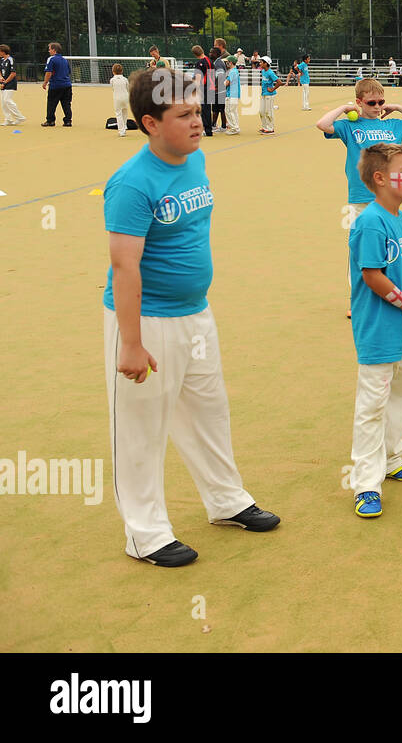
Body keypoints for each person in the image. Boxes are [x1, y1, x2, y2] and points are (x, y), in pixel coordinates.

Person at [102, 65, 280, 567]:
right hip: (147, 322)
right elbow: (123, 266)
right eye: (183, 115)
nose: (198, 122)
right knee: (141, 428)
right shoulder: (131, 183)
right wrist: (131, 343)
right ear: (149, 124)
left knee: (208, 412)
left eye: (198, 111)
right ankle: (145, 533)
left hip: (196, 316)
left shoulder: (194, 162)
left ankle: (226, 500)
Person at [346, 143, 402, 518]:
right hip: (380, 330)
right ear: (380, 178)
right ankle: (365, 483)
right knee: (373, 405)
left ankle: (389, 455)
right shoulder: (370, 221)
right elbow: (372, 276)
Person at [318, 78, 402, 317]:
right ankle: (357, 299)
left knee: (392, 246)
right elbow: (322, 124)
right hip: (361, 197)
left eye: (381, 102)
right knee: (360, 248)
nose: (377, 107)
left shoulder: (394, 126)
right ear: (360, 102)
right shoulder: (350, 127)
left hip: (390, 197)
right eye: (371, 102)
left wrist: (397, 107)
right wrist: (345, 109)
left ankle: (390, 292)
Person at [41, 41, 73, 127]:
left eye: (49, 49)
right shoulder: (65, 60)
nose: (49, 51)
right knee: (66, 104)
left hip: (56, 85)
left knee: (51, 103)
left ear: (54, 50)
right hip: (67, 85)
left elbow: (49, 72)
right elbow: (68, 72)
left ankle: (50, 121)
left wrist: (45, 82)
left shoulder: (51, 59)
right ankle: (68, 121)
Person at [213, 38, 235, 133]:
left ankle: (225, 124)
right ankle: (217, 124)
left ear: (220, 46)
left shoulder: (226, 57)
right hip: (219, 85)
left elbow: (226, 73)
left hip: (224, 85)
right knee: (217, 106)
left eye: (215, 45)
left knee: (222, 107)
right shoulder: (219, 57)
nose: (214, 47)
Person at [0, 44, 24, 126]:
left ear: (3, 52)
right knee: (3, 102)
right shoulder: (1, 60)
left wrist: (5, 82)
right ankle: (8, 119)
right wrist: (0, 78)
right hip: (3, 83)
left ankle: (19, 117)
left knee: (7, 100)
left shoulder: (11, 60)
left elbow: (13, 73)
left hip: (10, 83)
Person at [258, 57, 282, 134]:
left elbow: (279, 82)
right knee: (261, 111)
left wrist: (273, 89)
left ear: (266, 63)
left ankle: (270, 128)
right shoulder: (263, 71)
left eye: (261, 62)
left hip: (270, 95)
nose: (260, 63)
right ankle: (265, 127)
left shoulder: (270, 73)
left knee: (269, 112)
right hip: (264, 94)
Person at [109, 63, 129, 136]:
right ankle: (124, 126)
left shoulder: (112, 80)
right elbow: (128, 88)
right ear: (122, 71)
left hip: (117, 98)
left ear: (113, 71)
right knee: (125, 112)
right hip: (125, 97)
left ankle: (121, 131)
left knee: (118, 114)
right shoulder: (125, 79)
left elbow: (113, 88)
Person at [223, 56, 242, 134]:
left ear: (230, 62)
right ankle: (234, 127)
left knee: (230, 111)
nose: (226, 63)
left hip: (232, 94)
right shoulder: (234, 71)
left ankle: (235, 128)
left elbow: (227, 83)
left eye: (227, 62)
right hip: (233, 94)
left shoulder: (232, 71)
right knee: (231, 111)